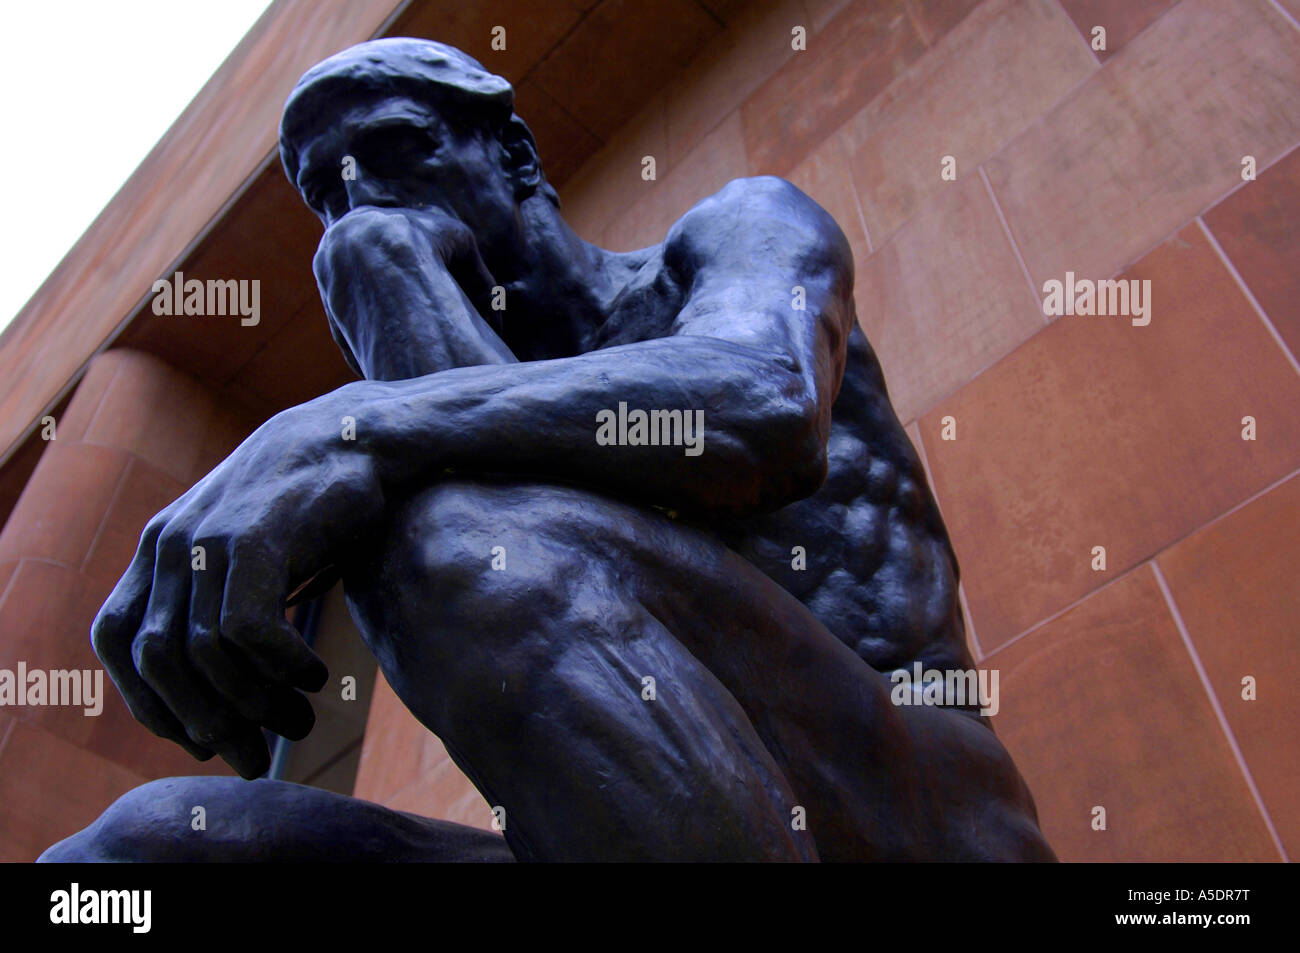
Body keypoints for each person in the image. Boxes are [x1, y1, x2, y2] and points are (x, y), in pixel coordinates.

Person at [43, 39, 1054, 862]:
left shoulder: (735, 232)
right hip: (684, 813)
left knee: (449, 537)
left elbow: (765, 406)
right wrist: (374, 285)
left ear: (514, 156)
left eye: (393, 151)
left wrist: (338, 427)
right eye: (329, 191)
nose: (364, 203)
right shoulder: (436, 388)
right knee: (133, 856)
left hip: (910, 803)